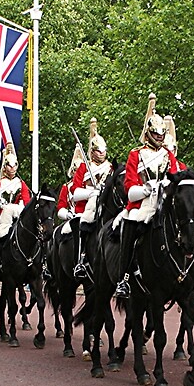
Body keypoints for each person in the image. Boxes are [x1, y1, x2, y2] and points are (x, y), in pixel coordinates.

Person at [115, 93, 179, 299]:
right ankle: (124, 277)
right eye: (156, 133)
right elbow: (129, 187)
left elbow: (178, 175)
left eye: (162, 134)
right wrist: (144, 189)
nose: (160, 137)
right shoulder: (136, 154)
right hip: (142, 204)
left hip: (164, 201)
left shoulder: (168, 155)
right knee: (130, 226)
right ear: (148, 132)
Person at [71, 118, 113, 279]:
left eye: (103, 150)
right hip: (85, 208)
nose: (101, 153)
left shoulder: (110, 168)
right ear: (92, 151)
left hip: (106, 206)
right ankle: (81, 258)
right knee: (84, 224)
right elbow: (75, 193)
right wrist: (91, 192)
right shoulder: (83, 167)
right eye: (98, 150)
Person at [0, 143, 31, 287]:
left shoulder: (21, 184)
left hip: (16, 219)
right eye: (10, 166)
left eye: (15, 165)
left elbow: (26, 201)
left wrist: (21, 205)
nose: (12, 168)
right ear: (5, 166)